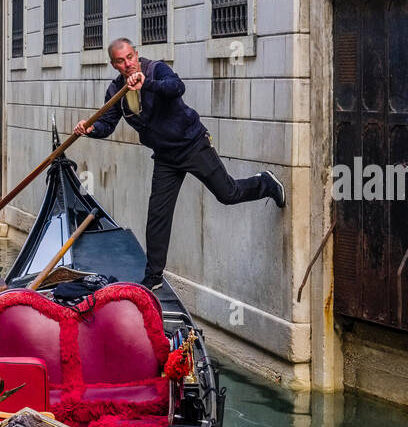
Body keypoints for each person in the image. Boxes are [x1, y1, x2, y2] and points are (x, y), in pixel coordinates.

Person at [75, 38, 285, 290]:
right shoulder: (116, 92)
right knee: (157, 216)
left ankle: (265, 183)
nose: (128, 64)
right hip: (165, 157)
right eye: (121, 61)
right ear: (114, 65)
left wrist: (147, 84)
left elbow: (177, 87)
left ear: (136, 55)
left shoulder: (155, 70)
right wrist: (90, 128)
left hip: (192, 145)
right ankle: (153, 279)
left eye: (130, 57)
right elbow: (106, 125)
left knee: (228, 194)